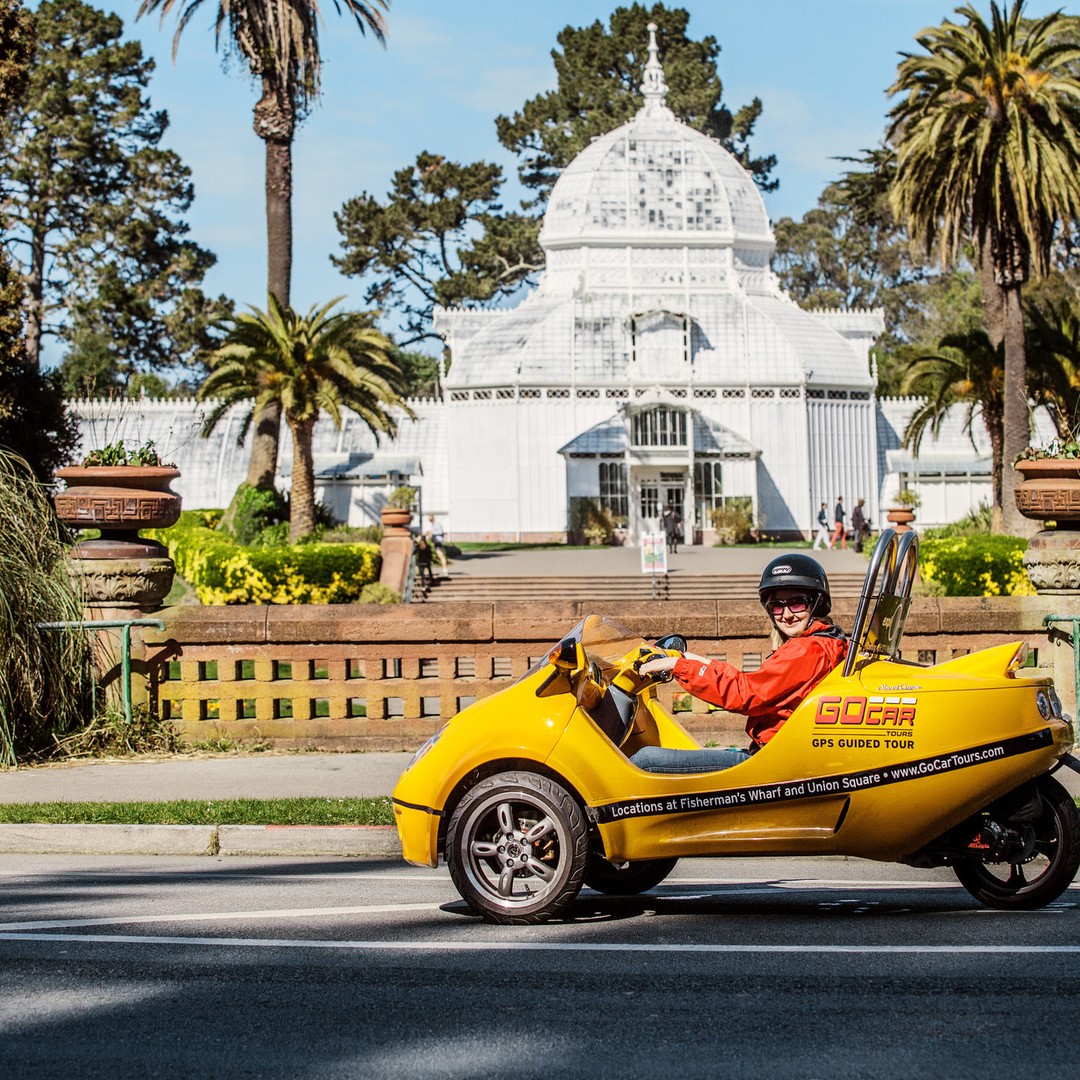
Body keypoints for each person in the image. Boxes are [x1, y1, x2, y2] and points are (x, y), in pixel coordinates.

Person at [631, 554, 848, 773]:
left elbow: (746, 693)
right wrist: (684, 658)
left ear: (817, 603)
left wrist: (677, 666)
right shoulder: (825, 643)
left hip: (774, 763)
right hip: (784, 754)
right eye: (777, 606)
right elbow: (748, 681)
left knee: (644, 761)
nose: (787, 615)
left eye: (797, 603)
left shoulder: (807, 650)